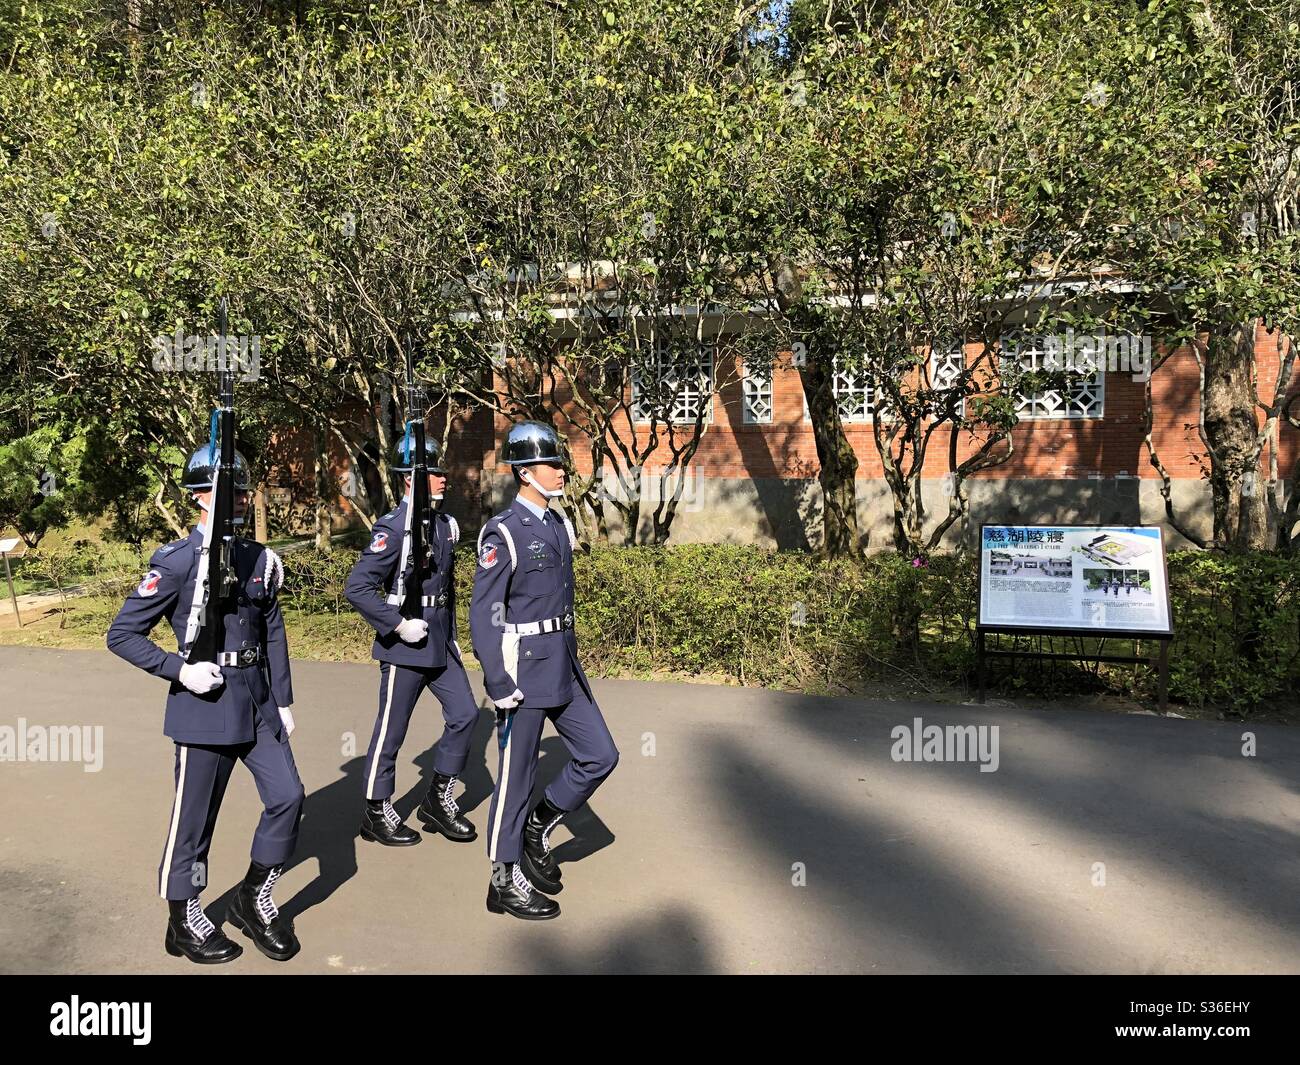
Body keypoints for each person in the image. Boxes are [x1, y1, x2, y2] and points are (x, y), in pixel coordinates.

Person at [107, 446, 303, 964]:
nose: (238, 497)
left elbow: (272, 630)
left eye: (242, 488)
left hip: (257, 701)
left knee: (288, 796)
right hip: (205, 703)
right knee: (194, 822)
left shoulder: (258, 557)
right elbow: (122, 634)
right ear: (197, 496)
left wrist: (282, 698)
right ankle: (184, 917)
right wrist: (179, 670)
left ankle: (253, 897)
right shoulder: (175, 562)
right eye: (225, 488)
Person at [470, 421, 619, 920]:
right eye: (551, 465)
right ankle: (501, 881)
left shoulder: (557, 524)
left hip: (562, 664)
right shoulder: (504, 532)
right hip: (523, 671)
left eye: (559, 463)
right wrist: (496, 679)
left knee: (600, 754)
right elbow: (484, 613)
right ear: (525, 473)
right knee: (515, 778)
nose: (560, 472)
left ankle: (539, 823)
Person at [344, 434, 478, 847]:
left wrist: (452, 637)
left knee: (466, 714)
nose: (444, 478)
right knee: (392, 730)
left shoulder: (444, 525)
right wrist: (398, 625)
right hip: (405, 644)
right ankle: (375, 809)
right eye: (434, 472)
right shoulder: (392, 530)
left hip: (438, 641)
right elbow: (358, 587)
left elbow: (448, 590)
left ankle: (438, 798)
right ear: (410, 479)